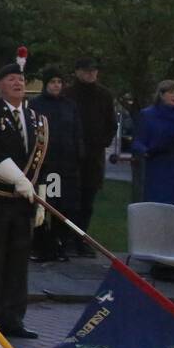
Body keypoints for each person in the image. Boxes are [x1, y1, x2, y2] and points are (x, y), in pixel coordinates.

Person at [0, 51, 48, 339]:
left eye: (21, 78)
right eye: (11, 79)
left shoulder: (35, 118)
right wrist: (18, 179)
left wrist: (40, 197)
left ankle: (14, 319)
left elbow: (42, 161)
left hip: (24, 204)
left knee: (19, 262)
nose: (18, 82)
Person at [29, 65, 84, 262]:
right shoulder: (36, 105)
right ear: (46, 84)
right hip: (46, 165)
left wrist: (78, 154)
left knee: (64, 206)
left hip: (67, 165)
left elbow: (76, 131)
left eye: (59, 82)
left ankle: (60, 243)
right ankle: (41, 245)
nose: (56, 85)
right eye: (53, 82)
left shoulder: (70, 105)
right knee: (45, 205)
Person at [63, 57, 116, 256]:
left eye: (93, 71)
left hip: (94, 157)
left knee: (87, 202)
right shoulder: (68, 94)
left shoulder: (104, 95)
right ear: (77, 72)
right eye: (86, 71)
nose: (90, 74)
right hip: (71, 157)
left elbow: (111, 124)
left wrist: (102, 141)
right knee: (70, 201)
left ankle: (81, 239)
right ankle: (67, 239)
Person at [131, 79, 174, 217]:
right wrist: (147, 151)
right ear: (161, 95)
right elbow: (138, 142)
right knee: (158, 210)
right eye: (171, 92)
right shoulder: (147, 115)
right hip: (158, 166)